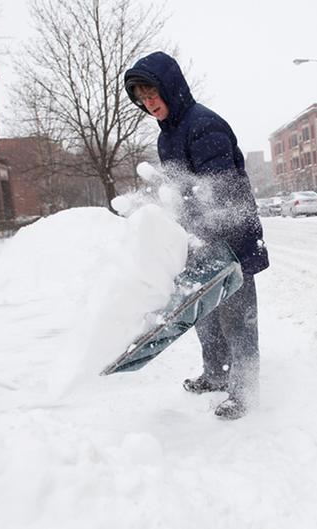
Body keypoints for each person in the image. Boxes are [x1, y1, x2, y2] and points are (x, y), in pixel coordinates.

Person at [124, 51, 269, 420]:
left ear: (170, 87)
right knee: (204, 313)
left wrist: (202, 232)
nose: (149, 103)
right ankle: (216, 374)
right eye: (142, 98)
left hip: (230, 240)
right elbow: (181, 192)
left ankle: (244, 392)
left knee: (237, 319)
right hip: (199, 240)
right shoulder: (168, 136)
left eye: (152, 93)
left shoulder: (204, 126)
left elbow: (221, 192)